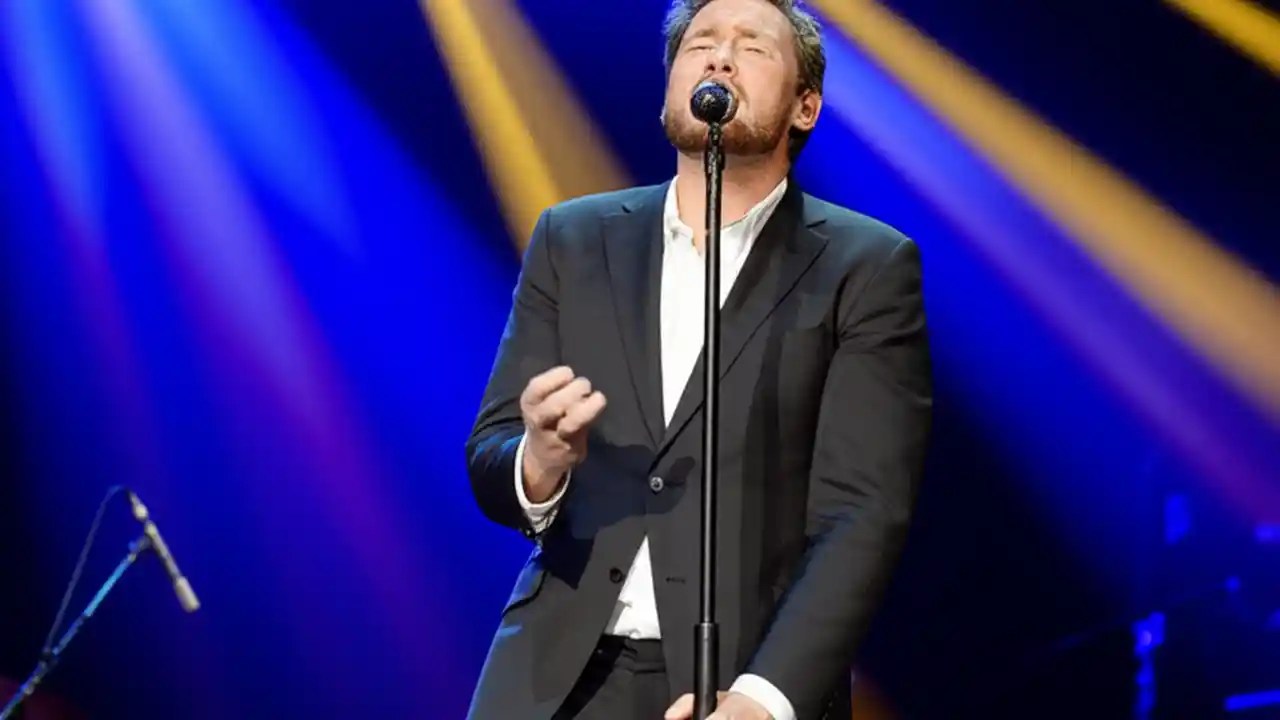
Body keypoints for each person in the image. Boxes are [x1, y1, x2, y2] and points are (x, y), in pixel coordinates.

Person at [463, 0, 932, 717]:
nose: (718, 57)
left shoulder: (863, 265)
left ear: (806, 106)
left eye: (752, 47)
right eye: (700, 44)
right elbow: (491, 459)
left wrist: (764, 698)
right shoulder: (575, 239)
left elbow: (862, 514)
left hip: (733, 679)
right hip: (553, 678)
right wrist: (540, 460)